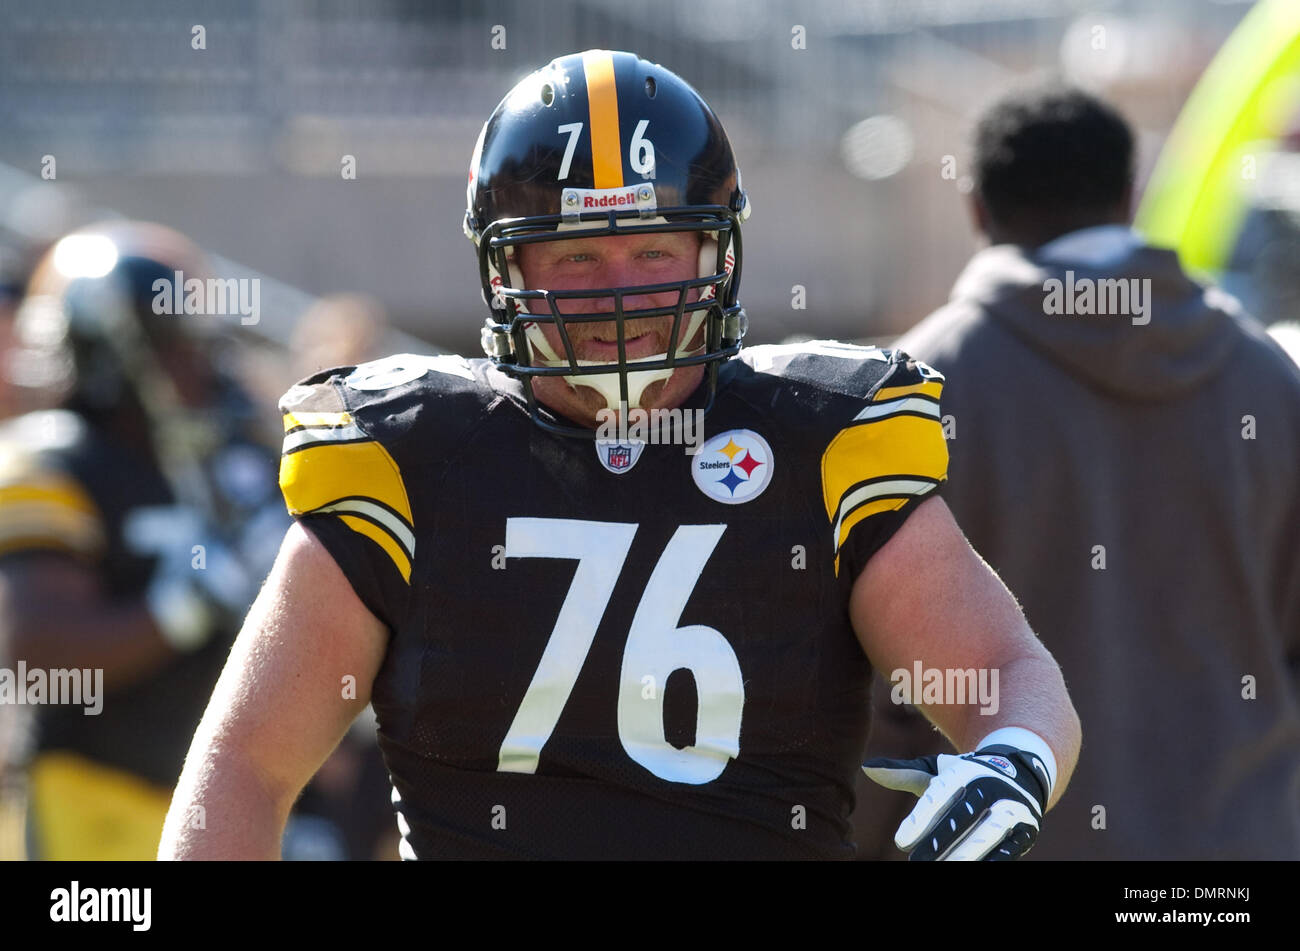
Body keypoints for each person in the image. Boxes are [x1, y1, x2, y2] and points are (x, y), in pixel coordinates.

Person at [160, 50, 1080, 861]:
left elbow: (1004, 671)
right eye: (576, 260)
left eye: (652, 251)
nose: (622, 297)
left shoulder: (817, 438)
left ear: (715, 254)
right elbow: (246, 762)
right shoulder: (411, 456)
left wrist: (1013, 757)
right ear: (505, 271)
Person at [862, 85, 1300, 859]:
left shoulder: (916, 390)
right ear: (1131, 195)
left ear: (976, 208)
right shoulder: (1268, 375)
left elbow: (875, 693)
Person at [0, 221, 292, 859]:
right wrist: (180, 607)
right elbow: (36, 651)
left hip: (223, 791)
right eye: (176, 347)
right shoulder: (50, 460)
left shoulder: (222, 461)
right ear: (112, 352)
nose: (200, 367)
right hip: (92, 796)